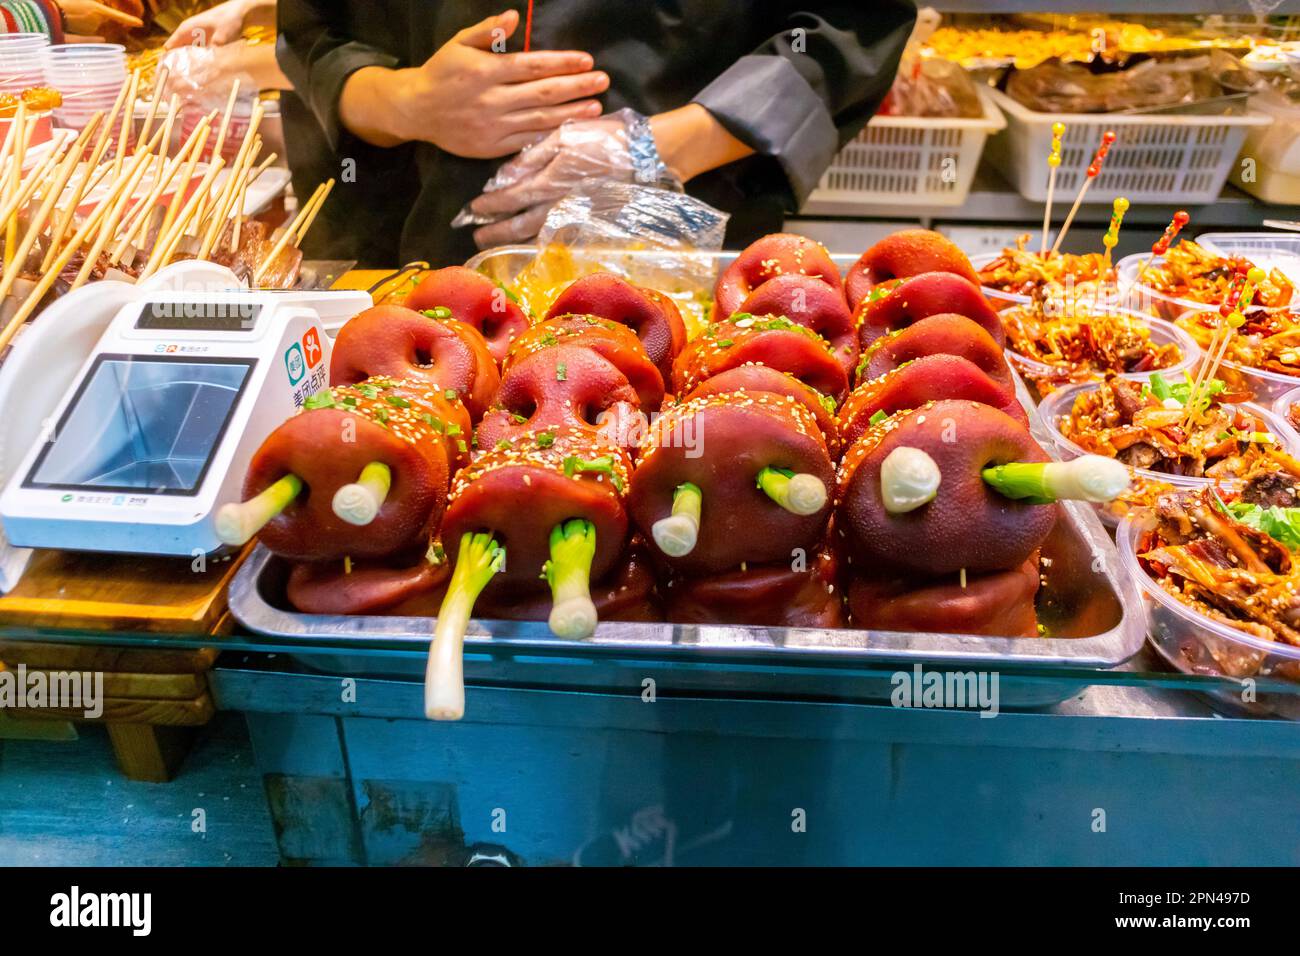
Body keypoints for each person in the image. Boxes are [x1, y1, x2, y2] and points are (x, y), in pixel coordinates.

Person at [277, 2, 915, 267]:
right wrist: (406, 101)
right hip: (415, 264)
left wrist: (663, 149)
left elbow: (852, 23)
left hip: (685, 252)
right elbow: (311, 34)